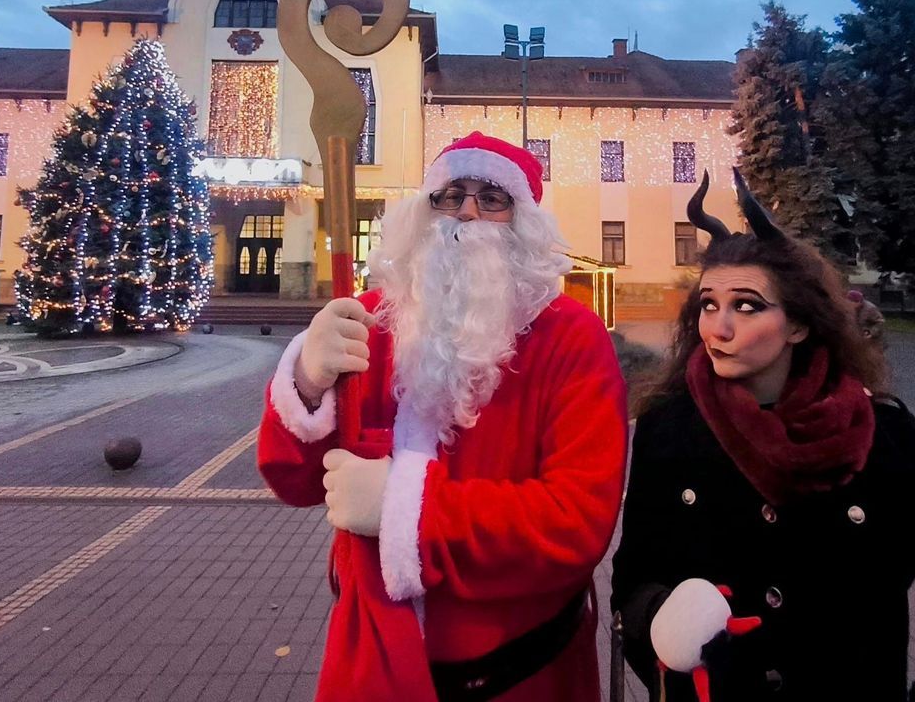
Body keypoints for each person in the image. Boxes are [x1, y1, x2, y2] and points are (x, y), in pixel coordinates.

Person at [258, 132, 628, 702]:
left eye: (492, 198)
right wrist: (306, 381)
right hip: (373, 661)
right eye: (450, 195)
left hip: (521, 674)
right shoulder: (372, 320)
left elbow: (576, 523)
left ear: (524, 223)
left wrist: (407, 509)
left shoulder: (571, 337)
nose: (467, 213)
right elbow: (295, 480)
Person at [611, 170, 915, 701]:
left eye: (746, 306)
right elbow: (634, 577)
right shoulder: (670, 429)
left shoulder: (880, 431)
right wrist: (663, 616)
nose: (718, 328)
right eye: (709, 305)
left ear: (798, 325)